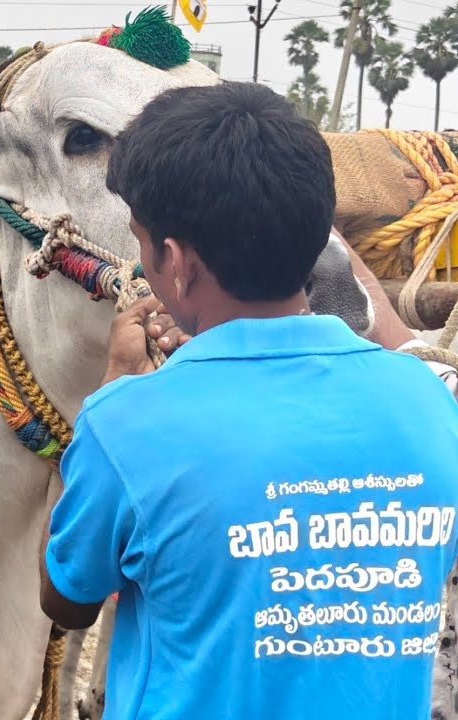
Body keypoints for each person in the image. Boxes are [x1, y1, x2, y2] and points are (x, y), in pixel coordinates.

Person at [38, 82, 458, 720]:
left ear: (174, 263)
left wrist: (116, 379)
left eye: (144, 245)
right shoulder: (432, 404)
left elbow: (67, 599)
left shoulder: (125, 422)